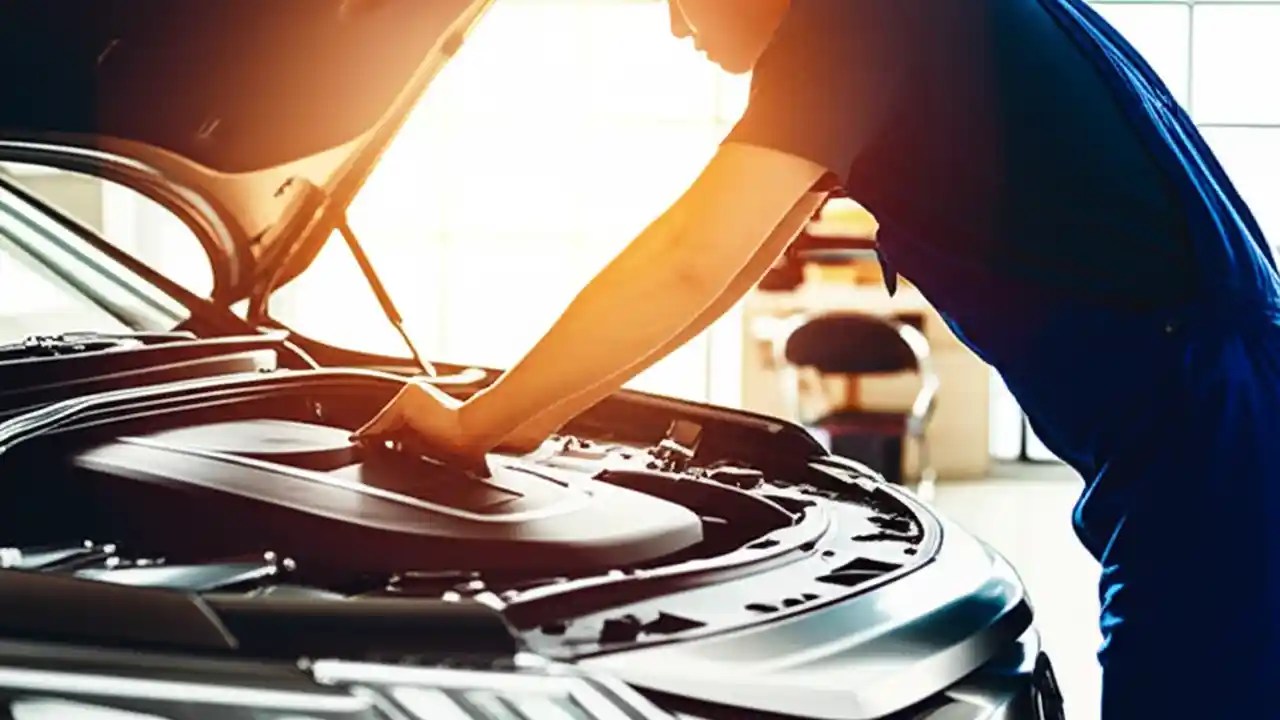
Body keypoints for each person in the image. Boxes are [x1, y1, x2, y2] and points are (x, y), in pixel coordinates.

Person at [355, 1, 1280, 716]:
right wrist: (518, 421)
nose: (675, 25)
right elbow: (734, 262)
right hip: (1215, 414)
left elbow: (687, 261)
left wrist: (478, 421)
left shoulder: (851, 21)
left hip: (1217, 431)